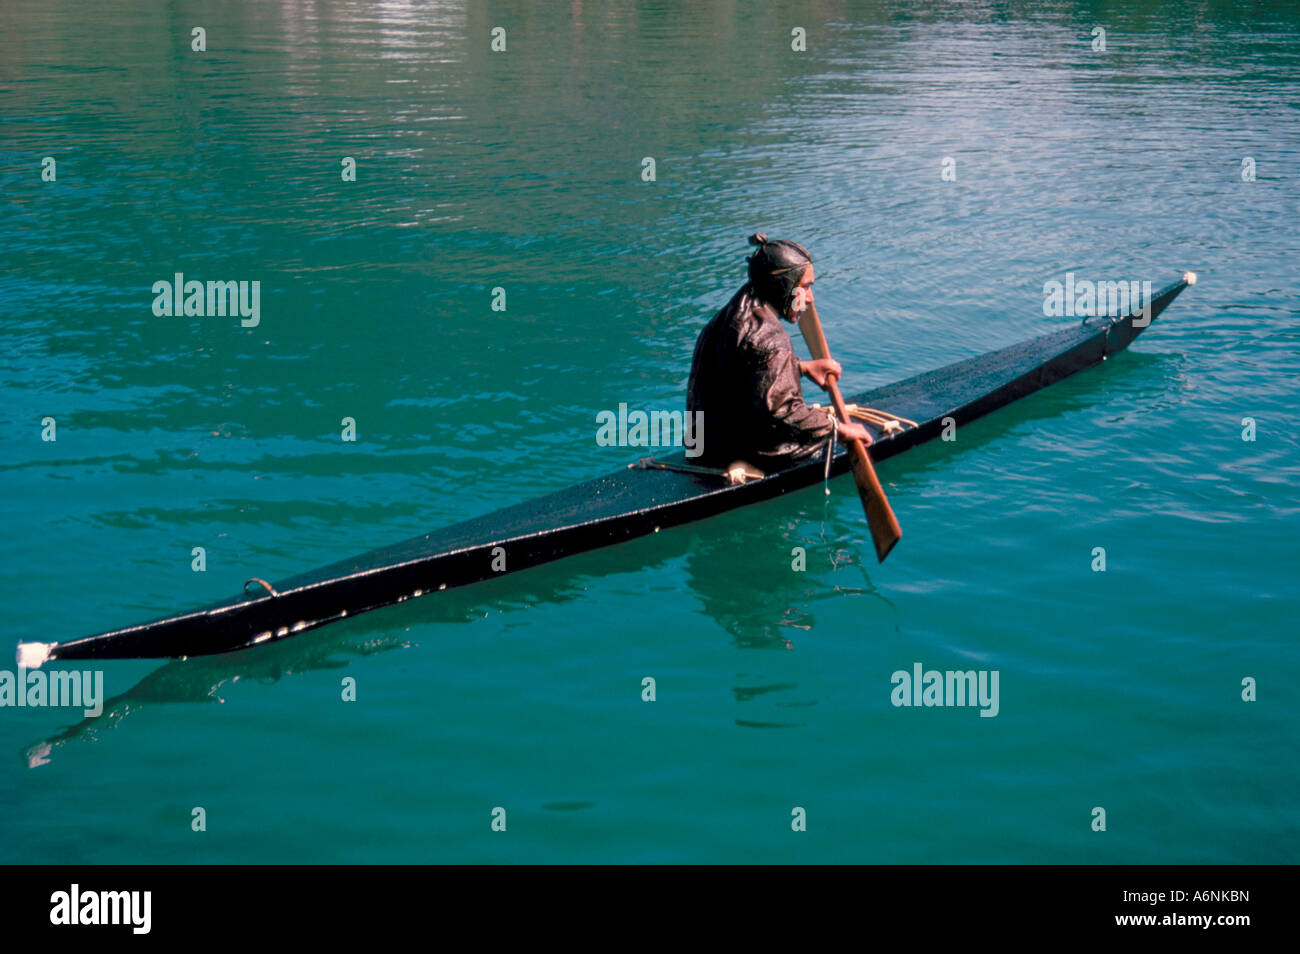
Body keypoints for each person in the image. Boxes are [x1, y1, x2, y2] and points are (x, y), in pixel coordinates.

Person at [686, 232, 872, 471]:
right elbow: (784, 412)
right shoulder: (771, 338)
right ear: (783, 286)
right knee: (816, 437)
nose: (810, 298)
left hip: (704, 447)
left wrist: (800, 367)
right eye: (805, 287)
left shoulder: (730, 314)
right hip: (744, 457)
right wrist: (838, 428)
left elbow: (745, 369)